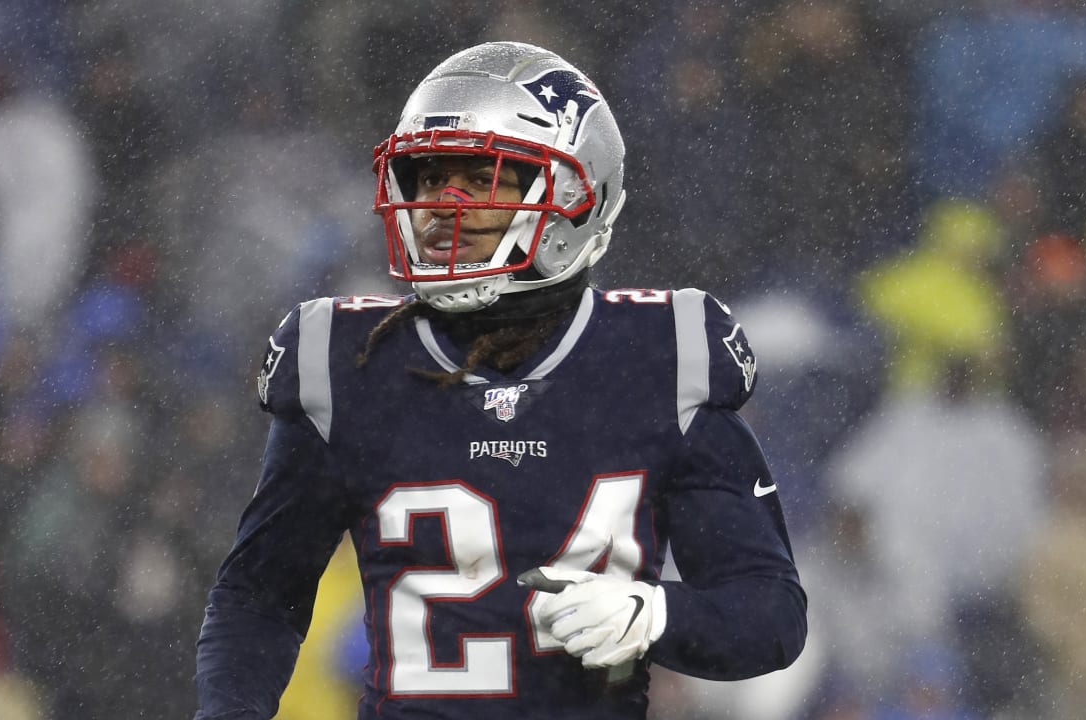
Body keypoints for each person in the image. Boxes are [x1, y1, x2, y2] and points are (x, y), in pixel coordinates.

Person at [193, 41, 807, 720]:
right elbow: (258, 596)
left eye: (477, 178)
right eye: (427, 178)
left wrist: (655, 613)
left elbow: (770, 615)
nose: (436, 206)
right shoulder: (350, 363)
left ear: (574, 197)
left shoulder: (664, 357)